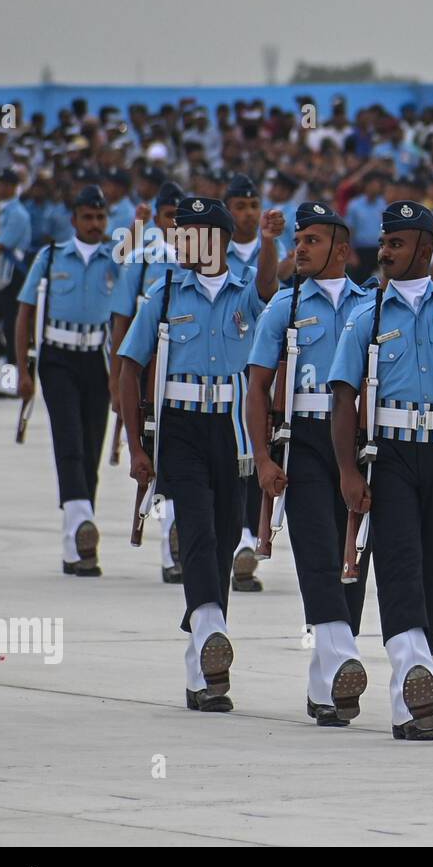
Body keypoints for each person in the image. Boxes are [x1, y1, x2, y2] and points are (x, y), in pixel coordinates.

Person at [329, 202, 433, 739]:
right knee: (398, 562)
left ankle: (413, 683)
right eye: (384, 243)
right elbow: (342, 397)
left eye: (396, 244)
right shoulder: (368, 315)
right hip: (389, 454)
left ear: (424, 249)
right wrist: (347, 475)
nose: (384, 252)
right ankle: (415, 675)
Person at [118, 197, 281, 711]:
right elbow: (128, 366)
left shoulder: (247, 290)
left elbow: (271, 291)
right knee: (198, 529)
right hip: (181, 428)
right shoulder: (164, 292)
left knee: (228, 533)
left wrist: (273, 242)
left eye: (188, 233)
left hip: (233, 428)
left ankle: (204, 669)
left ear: (217, 239)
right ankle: (210, 628)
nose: (178, 241)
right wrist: (135, 446)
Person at [248, 201, 374, 726]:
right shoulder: (285, 305)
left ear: (341, 250)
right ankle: (343, 657)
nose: (300, 249)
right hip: (303, 439)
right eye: (298, 240)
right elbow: (256, 385)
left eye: (312, 241)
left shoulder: (372, 305)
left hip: (361, 439)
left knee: (354, 561)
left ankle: (326, 682)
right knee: (318, 552)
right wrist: (261, 458)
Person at [13, 184, 118, 575]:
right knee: (70, 440)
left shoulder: (115, 261)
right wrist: (22, 371)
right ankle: (79, 526)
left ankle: (76, 546)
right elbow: (24, 313)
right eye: (87, 217)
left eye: (100, 217)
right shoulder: (51, 256)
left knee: (91, 448)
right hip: (56, 357)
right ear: (73, 219)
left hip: (97, 358)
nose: (94, 224)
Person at [108, 180, 185, 583]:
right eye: (169, 215)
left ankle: (175, 538)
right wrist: (117, 381)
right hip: (147, 366)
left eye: (180, 216)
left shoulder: (199, 256)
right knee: (152, 455)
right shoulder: (141, 257)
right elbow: (122, 321)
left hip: (183, 371)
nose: (175, 223)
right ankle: (167, 537)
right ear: (157, 217)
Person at [223, 172, 286, 591]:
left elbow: (269, 290)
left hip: (261, 370)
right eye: (240, 206)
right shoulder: (212, 250)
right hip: (222, 368)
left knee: (257, 451)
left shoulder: (273, 250)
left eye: (252, 205)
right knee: (229, 457)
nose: (247, 213)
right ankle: (228, 540)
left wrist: (271, 246)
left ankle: (247, 538)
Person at [0, 168, 32, 399]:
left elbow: (3, 246)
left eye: (0, 184)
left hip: (13, 276)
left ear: (11, 188)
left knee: (12, 330)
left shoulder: (18, 213)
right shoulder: (4, 212)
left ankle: (10, 383)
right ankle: (5, 375)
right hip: (1, 276)